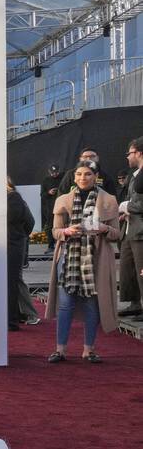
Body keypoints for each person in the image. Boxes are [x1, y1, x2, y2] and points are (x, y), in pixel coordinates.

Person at [47, 159, 119, 363]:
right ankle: (60, 350)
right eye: (79, 174)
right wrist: (67, 231)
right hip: (68, 257)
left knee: (91, 304)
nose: (82, 178)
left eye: (87, 174)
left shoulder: (109, 200)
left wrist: (103, 228)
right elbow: (55, 232)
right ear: (74, 176)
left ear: (96, 176)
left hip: (96, 258)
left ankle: (89, 350)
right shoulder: (63, 200)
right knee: (65, 304)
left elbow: (117, 234)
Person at [116, 138, 143, 318]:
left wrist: (126, 206)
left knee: (141, 269)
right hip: (129, 228)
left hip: (140, 230)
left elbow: (139, 204)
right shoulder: (134, 175)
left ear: (139, 153)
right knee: (128, 269)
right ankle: (134, 303)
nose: (127, 157)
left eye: (130, 153)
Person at [6, 177, 34, 331]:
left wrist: (19, 238)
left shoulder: (13, 197)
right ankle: (22, 314)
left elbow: (29, 222)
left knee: (12, 281)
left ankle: (16, 318)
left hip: (12, 244)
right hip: (10, 243)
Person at [41, 164, 62, 240]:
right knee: (50, 225)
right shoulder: (46, 180)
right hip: (50, 207)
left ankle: (61, 241)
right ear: (49, 172)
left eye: (56, 172)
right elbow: (42, 195)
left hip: (61, 206)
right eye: (52, 172)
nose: (54, 174)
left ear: (59, 171)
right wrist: (49, 192)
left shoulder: (63, 178)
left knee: (62, 224)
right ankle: (51, 243)